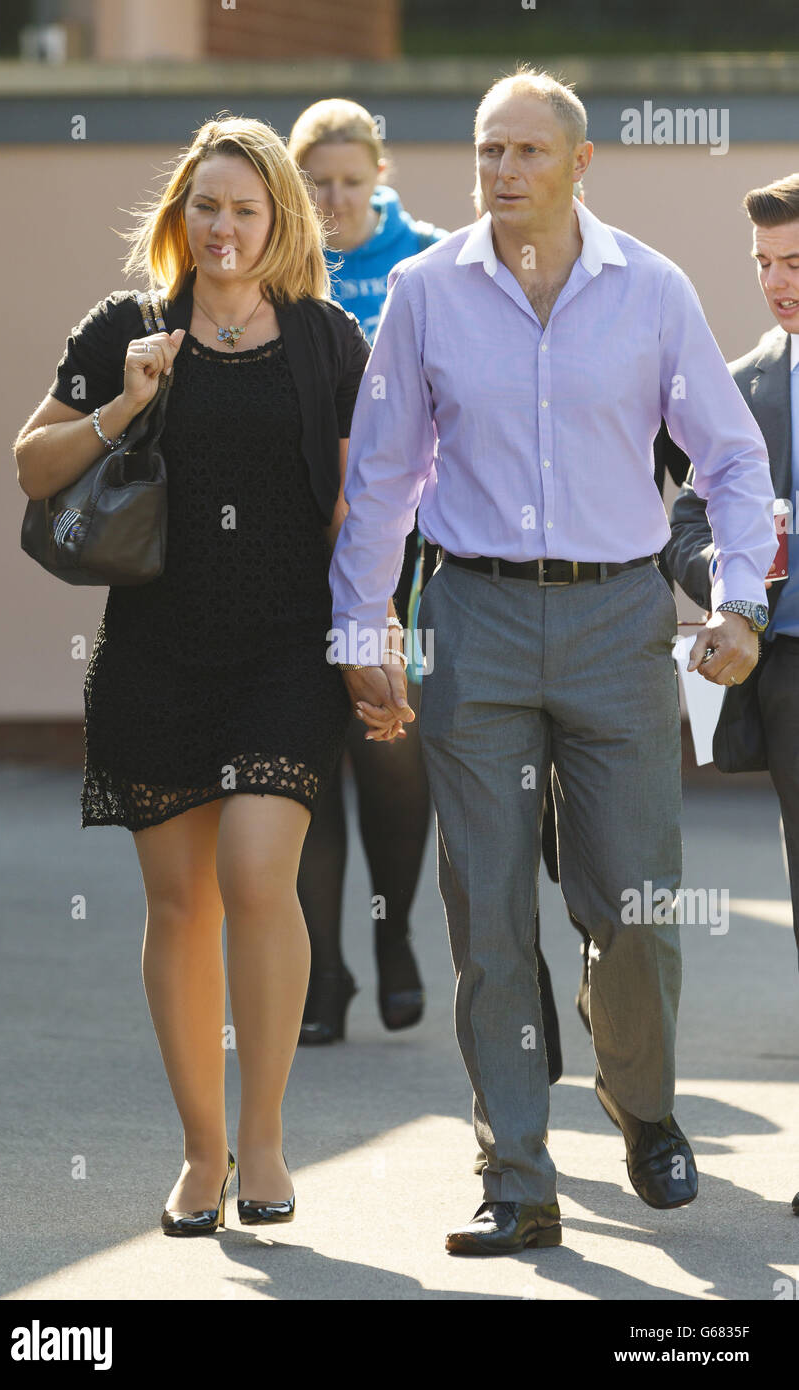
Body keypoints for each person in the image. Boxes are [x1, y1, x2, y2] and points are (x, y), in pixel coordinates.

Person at [328, 65, 776, 1255]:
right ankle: (515, 1170)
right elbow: (382, 474)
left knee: (632, 902)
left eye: (528, 152)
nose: (504, 172)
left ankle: (644, 1105)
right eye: (488, 151)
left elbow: (730, 462)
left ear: (580, 165)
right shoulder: (424, 292)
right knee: (484, 915)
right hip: (472, 620)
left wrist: (739, 601)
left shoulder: (651, 290)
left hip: (618, 621)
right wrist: (360, 628)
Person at [13, 115, 381, 1234]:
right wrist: (123, 401)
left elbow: (356, 511)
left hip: (283, 650)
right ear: (180, 214)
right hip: (155, 654)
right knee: (180, 905)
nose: (222, 228)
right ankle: (200, 1152)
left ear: (281, 223)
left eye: (245, 210)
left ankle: (264, 1143)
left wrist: (376, 643)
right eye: (205, 207)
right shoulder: (126, 325)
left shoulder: (326, 340)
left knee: (260, 880)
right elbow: (32, 464)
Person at [286, 99, 446, 1041]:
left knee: (390, 743)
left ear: (380, 177)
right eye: (319, 184)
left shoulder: (430, 260)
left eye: (352, 181)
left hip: (405, 543)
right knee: (303, 757)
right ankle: (323, 974)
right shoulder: (277, 265)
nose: (337, 200)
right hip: (291, 540)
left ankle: (392, 938)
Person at [666, 171, 799, 1218]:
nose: (775, 284)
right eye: (762, 265)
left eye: (794, 262)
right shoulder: (745, 383)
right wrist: (734, 589)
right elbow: (679, 522)